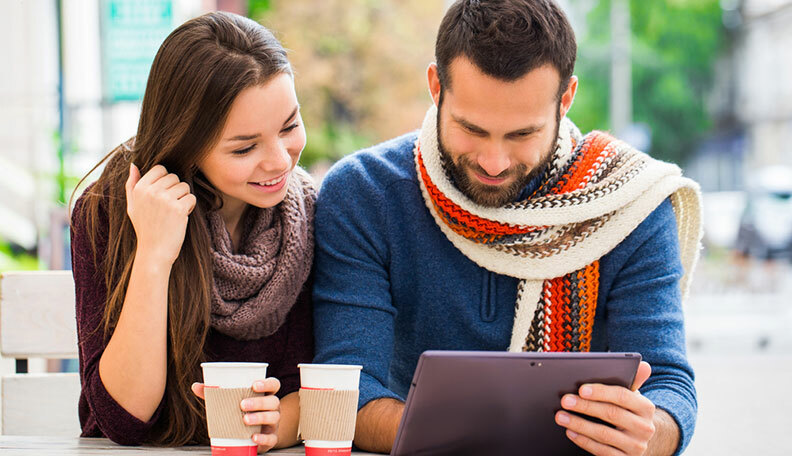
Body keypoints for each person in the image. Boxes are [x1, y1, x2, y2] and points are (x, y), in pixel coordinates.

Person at [312, 1, 702, 455]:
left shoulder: (630, 204)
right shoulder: (364, 194)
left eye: (522, 134)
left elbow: (670, 385)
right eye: (471, 129)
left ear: (566, 98)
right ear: (436, 87)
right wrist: (494, 435)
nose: (493, 162)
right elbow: (346, 391)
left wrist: (648, 431)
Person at [70, 12, 314, 452]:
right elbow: (124, 418)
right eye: (244, 147)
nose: (280, 161)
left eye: (290, 126)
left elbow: (336, 382)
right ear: (186, 144)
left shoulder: (312, 214)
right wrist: (153, 255)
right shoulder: (108, 211)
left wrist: (288, 420)